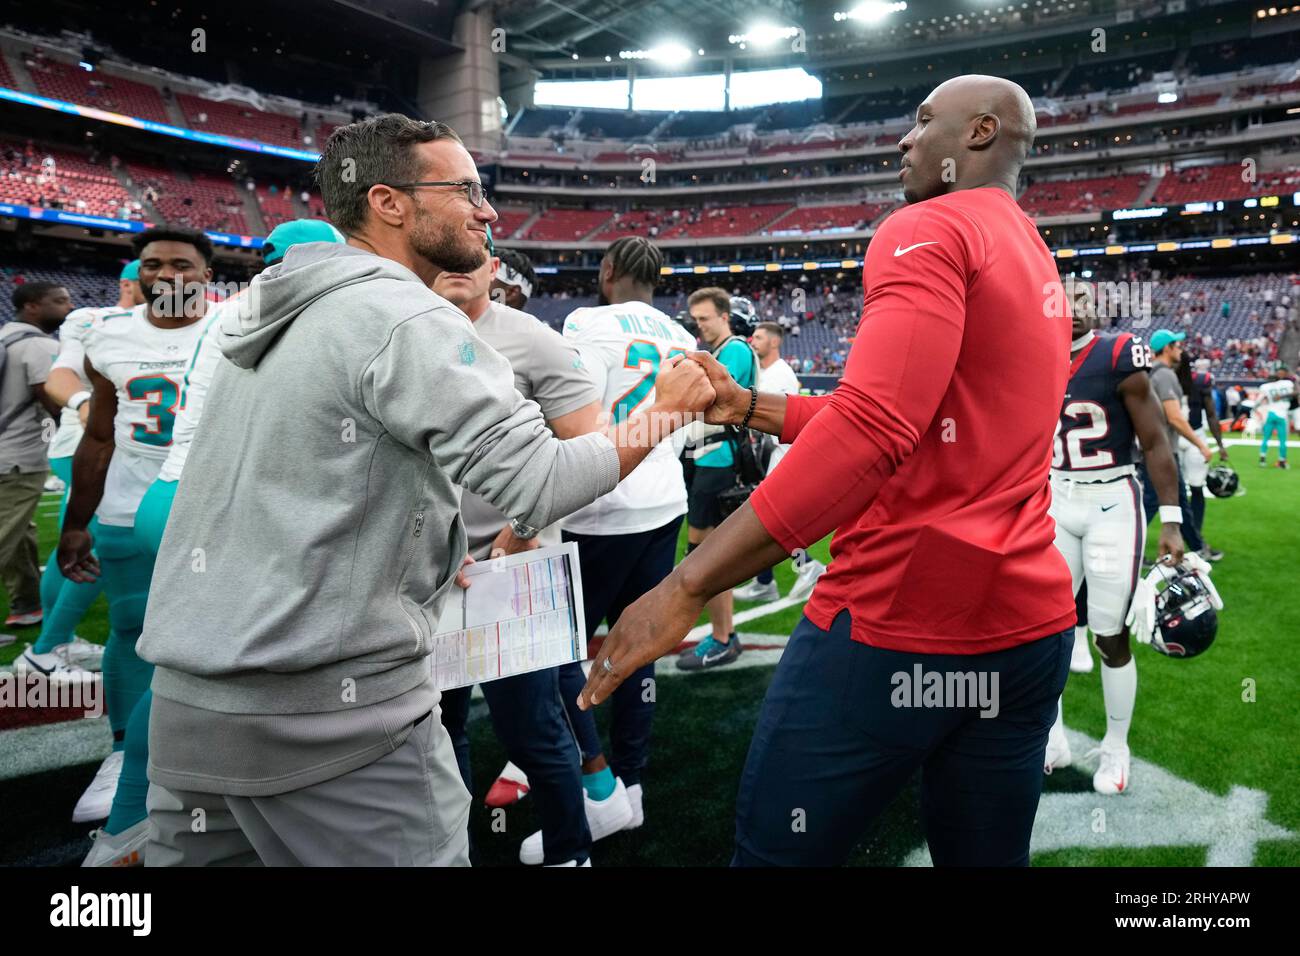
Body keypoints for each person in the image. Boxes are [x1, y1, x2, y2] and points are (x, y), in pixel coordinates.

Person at [123, 114, 713, 866]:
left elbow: (313, 483)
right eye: (465, 190)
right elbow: (540, 482)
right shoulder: (406, 314)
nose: (487, 211)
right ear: (388, 203)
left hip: (191, 705)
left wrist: (427, 548)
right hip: (329, 714)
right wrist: (666, 411)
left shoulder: (267, 310)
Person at [579, 75, 1079, 867]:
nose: (905, 139)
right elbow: (907, 420)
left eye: (923, 121)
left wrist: (687, 585)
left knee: (776, 857)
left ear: (980, 133)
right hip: (1027, 626)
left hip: (898, 617)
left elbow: (875, 429)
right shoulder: (1032, 251)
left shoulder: (928, 226)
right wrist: (750, 407)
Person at [80, 221, 346, 868]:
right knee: (197, 671)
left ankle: (151, 806)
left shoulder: (243, 310)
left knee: (192, 660)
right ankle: (130, 822)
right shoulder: (295, 313)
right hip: (204, 504)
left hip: (170, 496)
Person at [506, 236, 701, 863]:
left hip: (600, 504)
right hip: (664, 502)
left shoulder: (587, 324)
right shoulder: (681, 334)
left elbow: (573, 414)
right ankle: (630, 784)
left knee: (556, 657)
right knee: (637, 649)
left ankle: (597, 788)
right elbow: (687, 430)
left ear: (608, 270)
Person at [433, 226, 606, 868]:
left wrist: (525, 525)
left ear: (494, 267)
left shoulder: (532, 338)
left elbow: (590, 448)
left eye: (473, 253)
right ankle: (455, 851)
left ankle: (570, 852)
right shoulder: (401, 329)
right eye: (444, 253)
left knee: (533, 730)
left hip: (514, 566)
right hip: (428, 570)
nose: (459, 264)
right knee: (438, 728)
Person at [56, 229, 213, 832]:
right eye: (153, 264)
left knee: (209, 637)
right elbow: (99, 437)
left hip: (210, 512)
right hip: (126, 506)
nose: (167, 274)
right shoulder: (109, 336)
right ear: (137, 273)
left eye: (182, 264)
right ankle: (124, 752)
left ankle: (198, 749)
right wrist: (76, 523)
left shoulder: (232, 330)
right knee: (129, 627)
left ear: (207, 274)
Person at [1044, 282, 1185, 795]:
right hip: (1055, 499)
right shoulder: (1034, 355)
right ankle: (1052, 737)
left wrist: (1172, 520)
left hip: (1111, 501)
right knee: (1046, 632)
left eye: (1083, 302)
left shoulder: (1119, 354)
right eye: (1063, 303)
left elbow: (1154, 440)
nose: (1074, 311)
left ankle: (1116, 747)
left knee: (1109, 635)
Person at [15, 260, 143, 680]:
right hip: (85, 447)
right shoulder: (94, 320)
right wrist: (83, 405)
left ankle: (58, 641)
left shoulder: (156, 326)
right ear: (130, 283)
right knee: (109, 543)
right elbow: (60, 377)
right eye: (153, 277)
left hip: (95, 447)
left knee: (76, 545)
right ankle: (45, 650)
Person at [676, 287, 757, 670]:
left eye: (705, 319)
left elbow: (710, 400)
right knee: (706, 555)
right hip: (705, 458)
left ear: (725, 317)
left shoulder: (735, 349)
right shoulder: (722, 351)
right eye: (696, 320)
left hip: (718, 460)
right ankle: (723, 635)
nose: (700, 326)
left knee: (705, 556)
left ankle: (724, 638)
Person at [734, 321, 825, 603]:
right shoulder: (767, 372)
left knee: (772, 524)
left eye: (759, 337)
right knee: (763, 523)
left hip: (779, 455)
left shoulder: (780, 374)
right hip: (767, 456)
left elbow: (769, 420)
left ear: (774, 342)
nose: (753, 341)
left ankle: (807, 566)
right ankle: (765, 582)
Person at [0, 282, 69, 633]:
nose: (68, 307)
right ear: (32, 306)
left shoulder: (5, 337)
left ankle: (27, 604)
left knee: (19, 534)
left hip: (5, 451)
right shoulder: (40, 345)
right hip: (19, 456)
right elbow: (55, 401)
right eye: (59, 301)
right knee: (4, 535)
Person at [1139, 330, 1209, 554]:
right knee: (1153, 501)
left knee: (1177, 502)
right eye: (1176, 345)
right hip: (1163, 450)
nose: (1180, 349)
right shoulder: (1165, 375)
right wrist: (1201, 444)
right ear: (1167, 348)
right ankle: (1127, 544)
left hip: (1154, 448)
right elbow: (1175, 417)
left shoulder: (1150, 373)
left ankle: (1197, 546)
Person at [1177, 354, 1228, 560]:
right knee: (1176, 492)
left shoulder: (1195, 381)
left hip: (1190, 437)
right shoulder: (1163, 378)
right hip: (1175, 437)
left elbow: (1211, 414)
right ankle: (1188, 539)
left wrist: (1220, 444)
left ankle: (1194, 538)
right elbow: (1212, 415)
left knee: (1193, 488)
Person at [1257, 370, 1294, 468]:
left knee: (1266, 438)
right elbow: (1293, 392)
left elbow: (1259, 400)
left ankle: (1262, 458)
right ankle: (1282, 461)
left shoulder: (1265, 387)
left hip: (1271, 413)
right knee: (1282, 440)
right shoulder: (1287, 383)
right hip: (1282, 415)